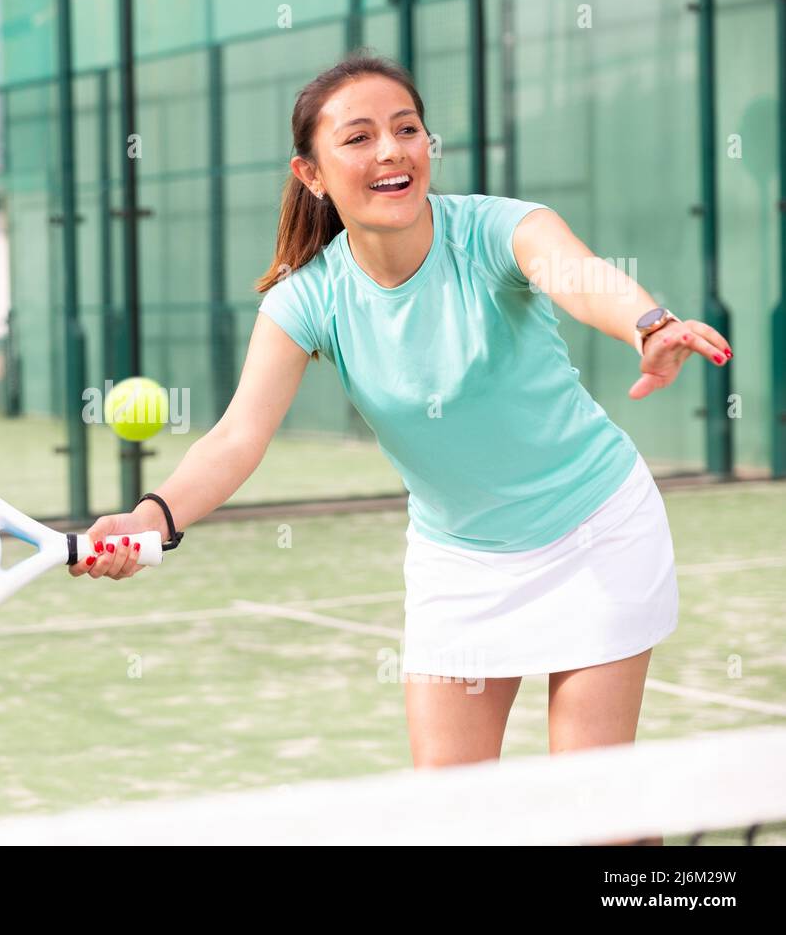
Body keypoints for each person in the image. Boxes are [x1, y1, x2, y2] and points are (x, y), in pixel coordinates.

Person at [67, 53, 730, 790]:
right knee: (446, 818)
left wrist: (648, 324)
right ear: (311, 173)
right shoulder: (307, 300)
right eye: (358, 138)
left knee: (600, 822)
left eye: (406, 129)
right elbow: (235, 437)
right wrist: (150, 517)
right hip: (461, 563)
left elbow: (577, 277)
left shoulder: (497, 229)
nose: (391, 150)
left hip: (597, 533)